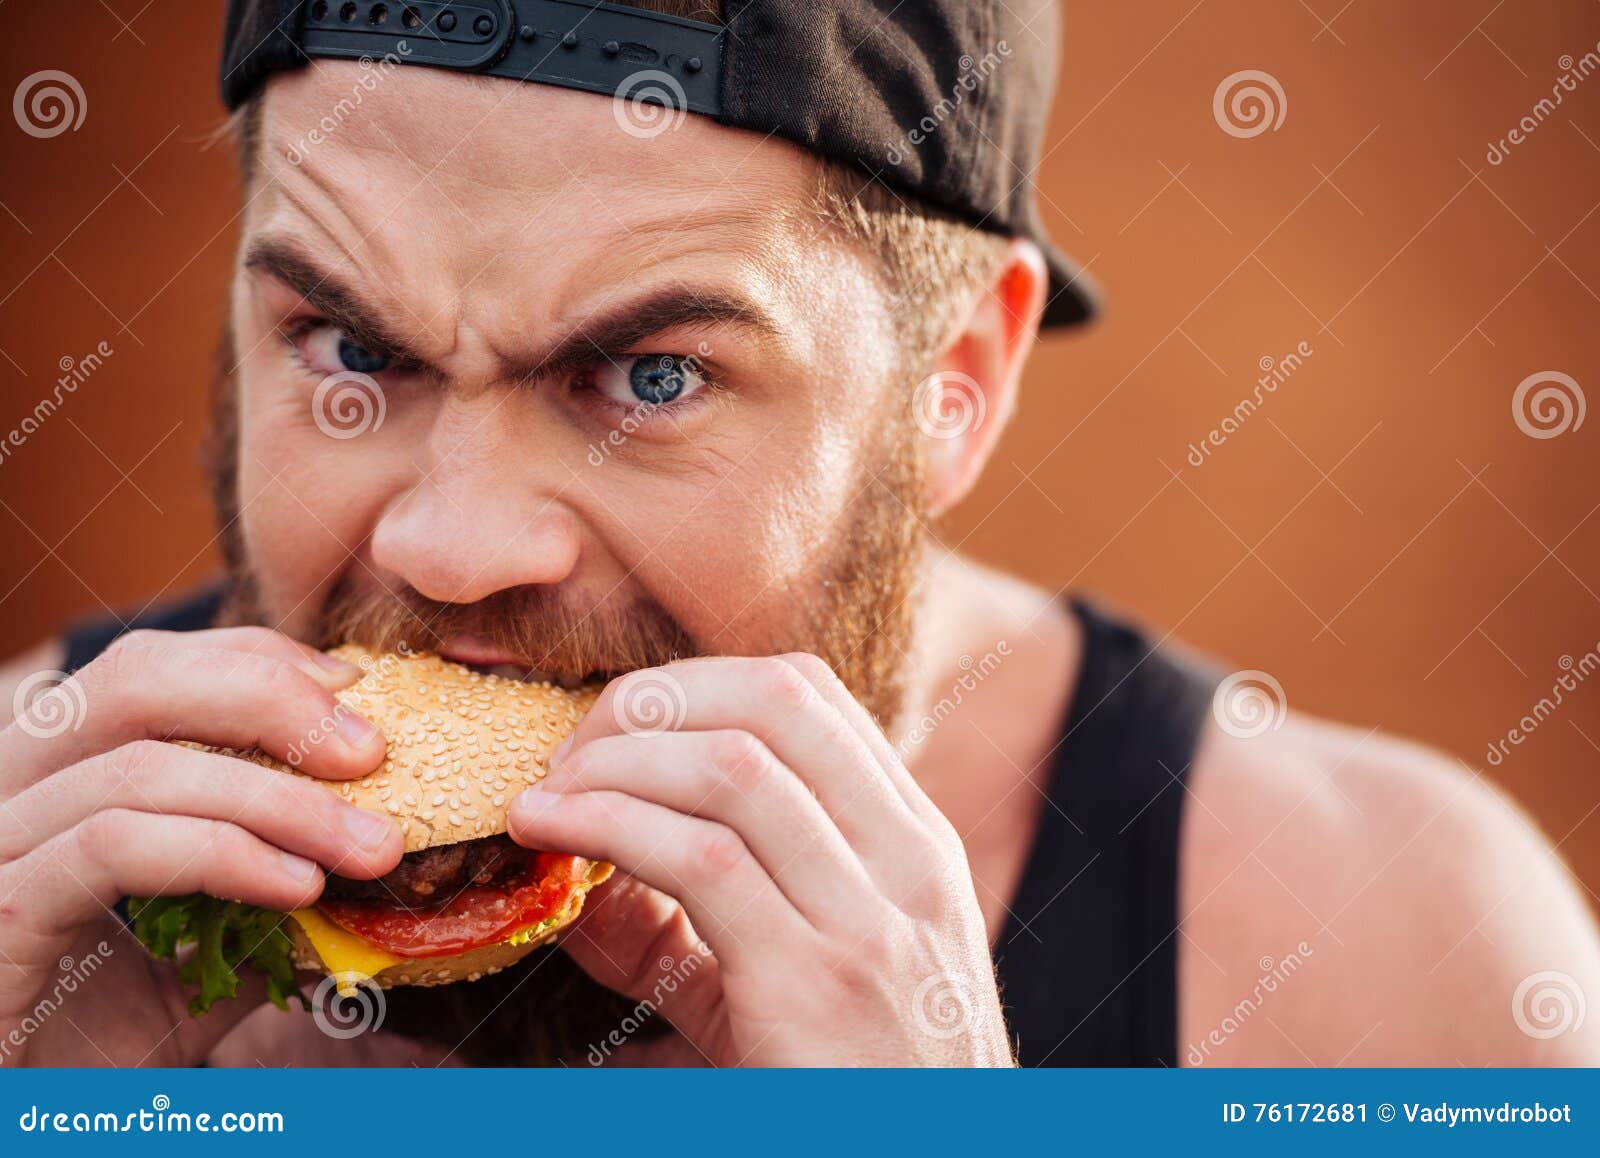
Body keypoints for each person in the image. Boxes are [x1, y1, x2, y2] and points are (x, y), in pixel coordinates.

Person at [2, 0, 1596, 1068]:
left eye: (650, 373)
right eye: (351, 348)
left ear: (953, 385)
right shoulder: (29, 889)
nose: (453, 542)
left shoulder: (1392, 958)